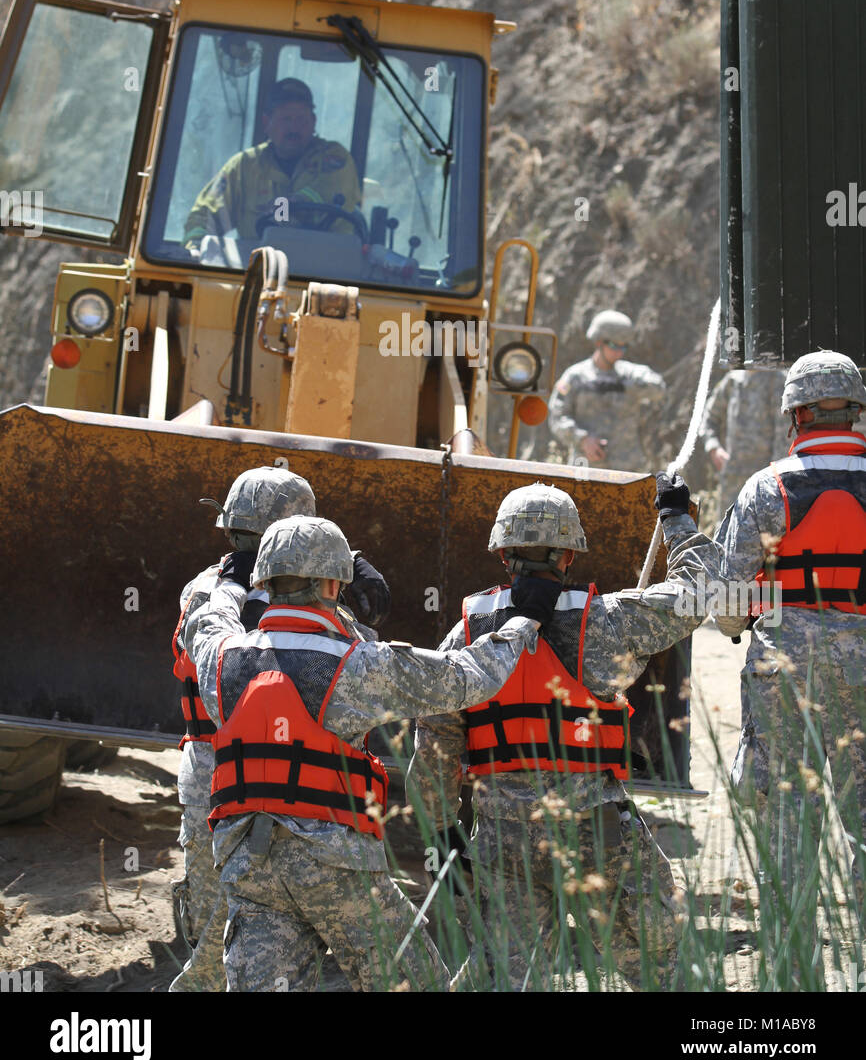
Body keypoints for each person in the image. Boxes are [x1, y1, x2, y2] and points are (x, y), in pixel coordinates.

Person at [180, 514, 556, 992]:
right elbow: (466, 677)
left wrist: (228, 581)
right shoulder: (355, 665)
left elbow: (202, 619)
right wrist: (524, 621)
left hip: (247, 867)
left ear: (263, 580)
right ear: (334, 582)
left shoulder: (223, 657)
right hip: (335, 869)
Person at [407, 477, 722, 991]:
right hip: (597, 833)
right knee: (659, 965)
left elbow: (436, 740)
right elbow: (700, 590)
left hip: (504, 838)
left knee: (506, 976)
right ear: (570, 555)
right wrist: (676, 518)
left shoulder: (467, 633)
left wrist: (442, 827)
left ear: (503, 552)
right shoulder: (607, 622)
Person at [169, 465, 389, 992]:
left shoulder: (208, 587)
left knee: (237, 918)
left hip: (232, 768)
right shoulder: (217, 592)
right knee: (227, 923)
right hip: (233, 770)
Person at [714, 350, 866, 953]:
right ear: (854, 412)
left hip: (783, 671)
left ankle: (789, 950)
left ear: (795, 414)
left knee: (785, 816)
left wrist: (765, 607)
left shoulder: (765, 487)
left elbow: (727, 604)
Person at [184, 77, 361, 254]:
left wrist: (286, 206)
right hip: (256, 272)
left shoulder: (334, 158)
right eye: (286, 119)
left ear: (313, 122)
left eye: (301, 119)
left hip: (327, 271)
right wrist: (195, 248)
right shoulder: (244, 166)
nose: (294, 128)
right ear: (266, 122)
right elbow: (205, 215)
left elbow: (324, 195)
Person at [548, 309, 666, 472]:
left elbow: (658, 389)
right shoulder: (575, 377)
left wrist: (629, 384)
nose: (619, 352)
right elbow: (557, 416)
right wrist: (582, 439)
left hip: (628, 468)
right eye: (614, 345)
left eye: (624, 347)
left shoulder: (631, 374)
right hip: (586, 468)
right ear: (598, 342)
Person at [699, 368, 790, 516]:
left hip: (764, 482)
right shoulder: (733, 380)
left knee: (764, 534)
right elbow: (709, 417)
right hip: (732, 478)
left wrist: (776, 480)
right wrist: (714, 447)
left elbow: (784, 436)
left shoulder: (778, 380)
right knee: (725, 531)